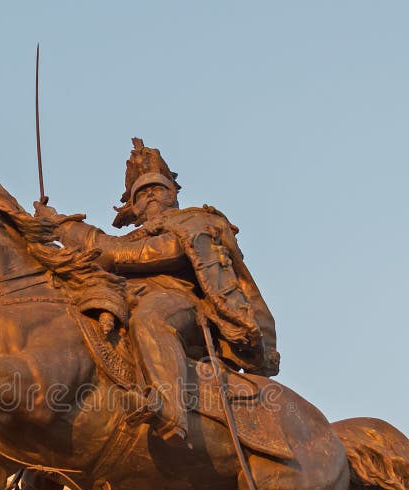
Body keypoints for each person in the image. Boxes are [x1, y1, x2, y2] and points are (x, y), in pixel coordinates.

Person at [36, 138, 279, 444]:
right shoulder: (130, 238)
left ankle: (170, 409)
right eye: (141, 193)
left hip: (185, 306)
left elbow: (138, 254)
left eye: (158, 188)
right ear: (132, 207)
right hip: (129, 300)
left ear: (174, 194)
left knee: (151, 319)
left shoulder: (195, 222)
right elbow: (105, 254)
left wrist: (63, 227)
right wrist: (52, 229)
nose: (150, 194)